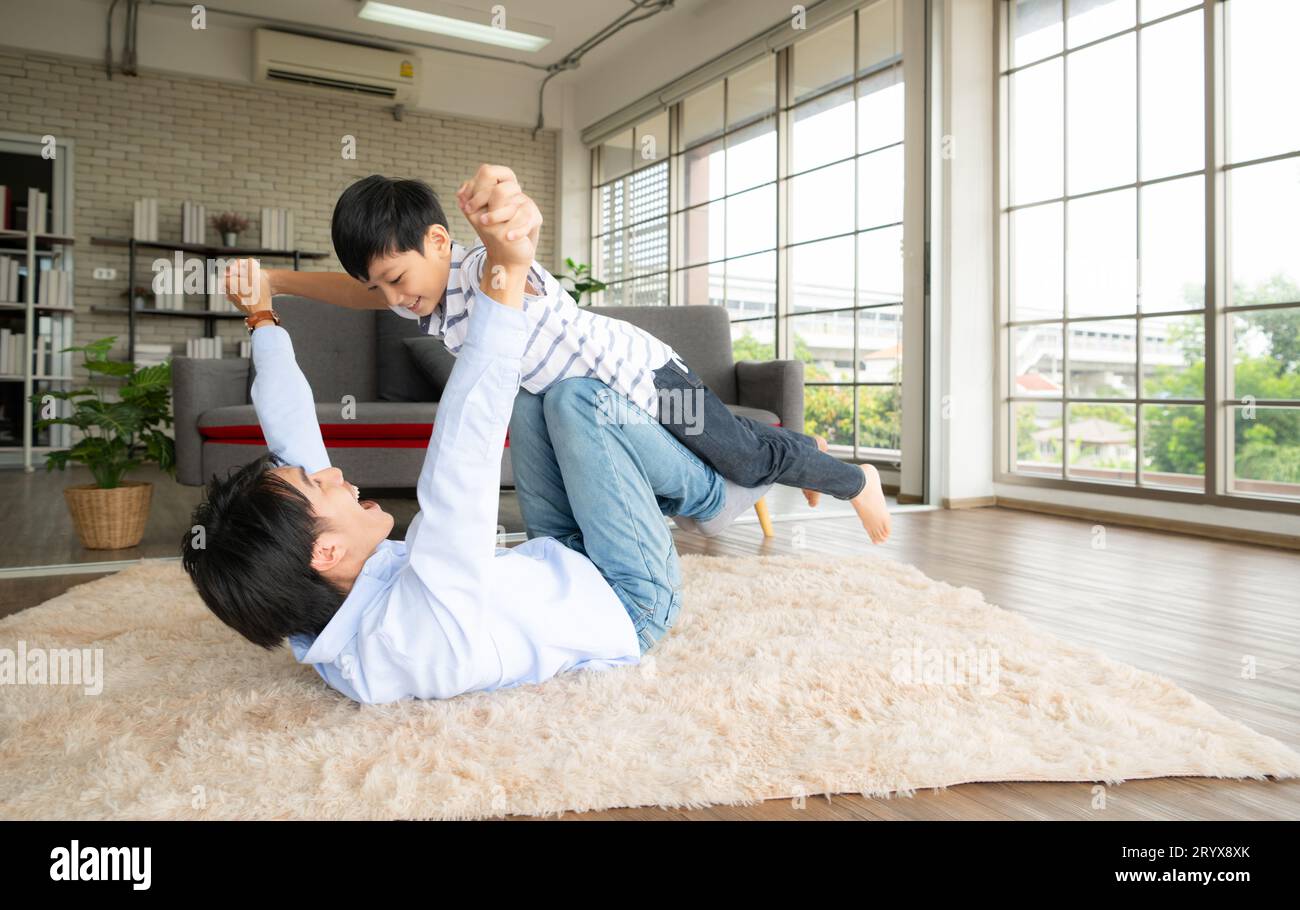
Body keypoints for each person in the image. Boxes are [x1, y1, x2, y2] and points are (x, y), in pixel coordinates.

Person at [180, 171, 743, 704]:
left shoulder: (330, 605)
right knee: (582, 400)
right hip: (627, 595)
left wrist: (261, 316)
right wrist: (506, 271)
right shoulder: (413, 633)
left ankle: (718, 474)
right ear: (325, 551)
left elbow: (292, 440)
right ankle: (722, 494)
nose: (333, 473)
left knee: (538, 393)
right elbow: (462, 460)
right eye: (318, 484)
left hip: (558, 558)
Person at [252, 164, 891, 544]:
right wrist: (279, 282)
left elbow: (509, 256)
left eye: (397, 276)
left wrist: (502, 224)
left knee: (743, 456)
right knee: (744, 456)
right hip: (599, 408)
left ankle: (850, 478)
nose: (393, 297)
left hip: (648, 379)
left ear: (441, 240)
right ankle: (806, 458)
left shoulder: (484, 272)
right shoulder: (420, 296)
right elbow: (358, 295)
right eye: (381, 286)